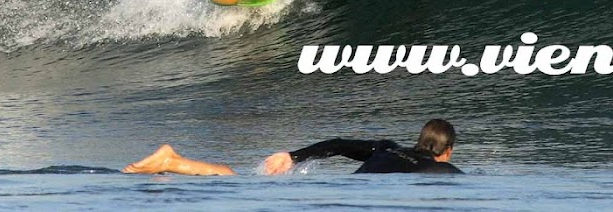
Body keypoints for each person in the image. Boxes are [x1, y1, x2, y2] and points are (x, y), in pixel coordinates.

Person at [122, 119, 462, 176]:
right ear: (446, 152)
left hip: (344, 194)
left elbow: (337, 144)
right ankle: (171, 161)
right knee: (236, 183)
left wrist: (292, 157)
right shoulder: (441, 171)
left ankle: (173, 161)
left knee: (236, 180)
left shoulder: (386, 148)